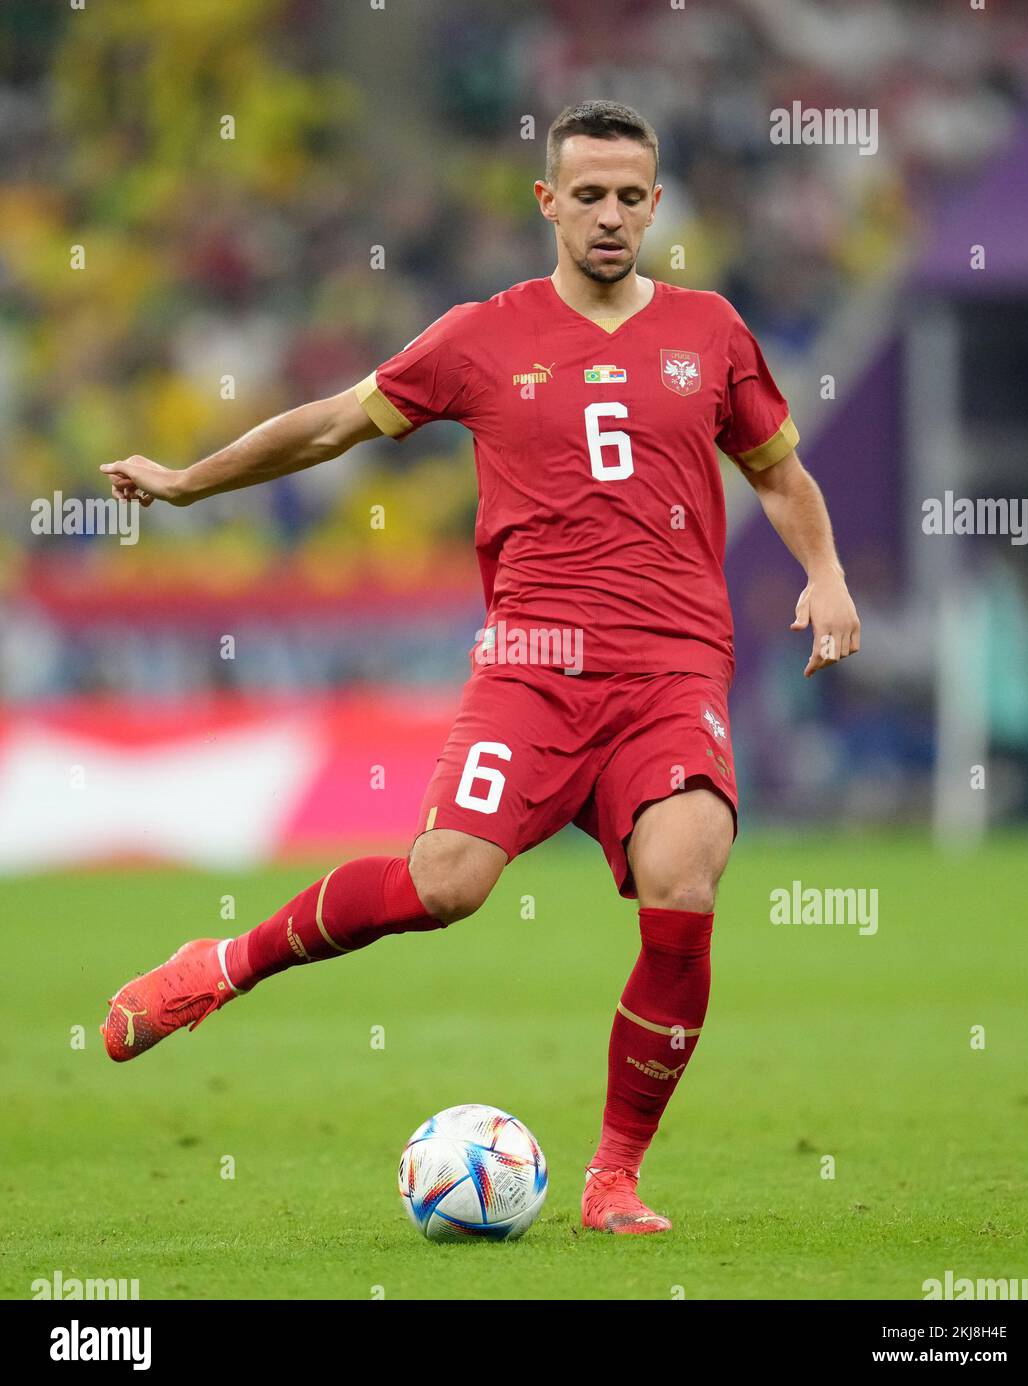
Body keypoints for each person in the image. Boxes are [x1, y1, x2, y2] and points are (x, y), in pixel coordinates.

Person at [100, 100, 861, 1235]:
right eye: (587, 193)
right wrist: (187, 482)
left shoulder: (710, 329)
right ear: (546, 202)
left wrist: (827, 573)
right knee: (445, 883)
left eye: (630, 195)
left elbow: (778, 473)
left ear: (657, 204)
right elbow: (327, 428)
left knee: (684, 877)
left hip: (670, 668)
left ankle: (612, 1177)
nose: (610, 215)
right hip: (533, 666)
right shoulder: (478, 336)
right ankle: (224, 962)